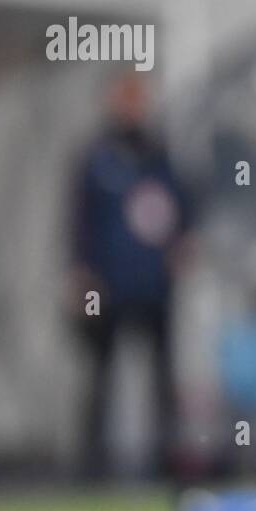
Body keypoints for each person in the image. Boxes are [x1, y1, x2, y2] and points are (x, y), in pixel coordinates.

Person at [70, 74, 194, 483]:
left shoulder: (159, 153)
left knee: (162, 375)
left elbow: (184, 206)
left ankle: (166, 465)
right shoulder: (97, 156)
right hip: (108, 286)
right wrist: (81, 273)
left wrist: (182, 246)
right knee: (100, 376)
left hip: (154, 285)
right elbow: (79, 222)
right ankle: (92, 468)